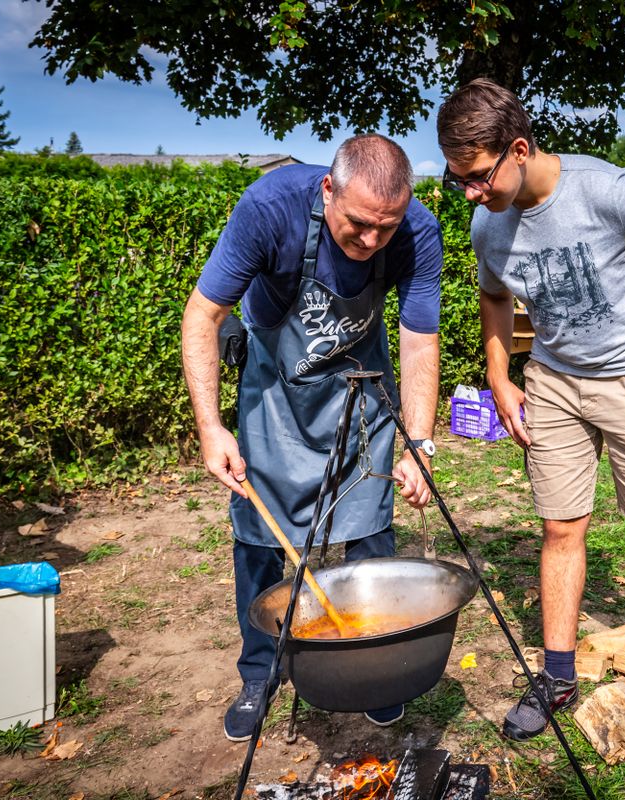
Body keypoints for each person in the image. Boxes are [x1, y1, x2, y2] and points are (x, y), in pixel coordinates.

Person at [436, 78, 625, 739]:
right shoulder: (487, 222)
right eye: (456, 178)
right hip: (554, 385)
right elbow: (494, 297)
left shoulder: (604, 188)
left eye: (478, 176)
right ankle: (555, 674)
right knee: (560, 531)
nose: (469, 192)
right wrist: (499, 376)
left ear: (518, 150)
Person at [180, 134, 442, 741]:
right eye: (357, 225)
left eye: (386, 226)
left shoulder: (417, 232)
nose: (371, 241)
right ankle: (259, 670)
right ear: (328, 189)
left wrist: (419, 444)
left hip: (360, 389)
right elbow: (204, 315)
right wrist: (211, 426)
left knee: (372, 531)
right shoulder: (270, 208)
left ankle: (376, 669)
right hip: (276, 393)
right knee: (258, 536)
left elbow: (418, 338)